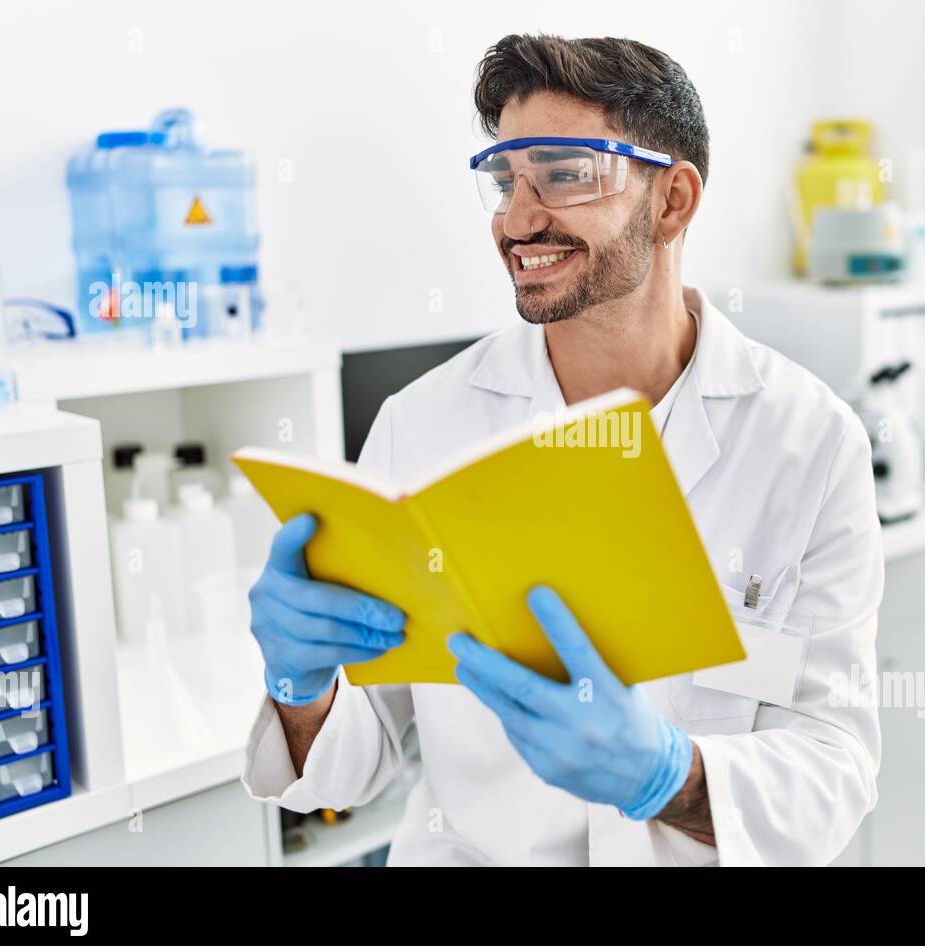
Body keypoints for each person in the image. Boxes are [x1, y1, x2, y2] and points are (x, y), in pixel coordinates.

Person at [242, 33, 883, 866]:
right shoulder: (421, 424)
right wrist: (303, 685)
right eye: (505, 179)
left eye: (564, 173)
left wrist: (666, 777)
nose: (517, 218)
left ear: (673, 200)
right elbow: (352, 764)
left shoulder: (811, 442)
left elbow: (833, 763)